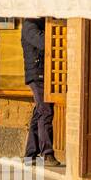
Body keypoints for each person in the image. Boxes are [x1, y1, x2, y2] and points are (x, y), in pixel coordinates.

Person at [22, 17, 57, 164]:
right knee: (46, 111)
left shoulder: (39, 23)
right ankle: (47, 153)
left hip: (43, 73)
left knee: (39, 112)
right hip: (37, 74)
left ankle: (30, 154)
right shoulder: (30, 25)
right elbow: (44, 43)